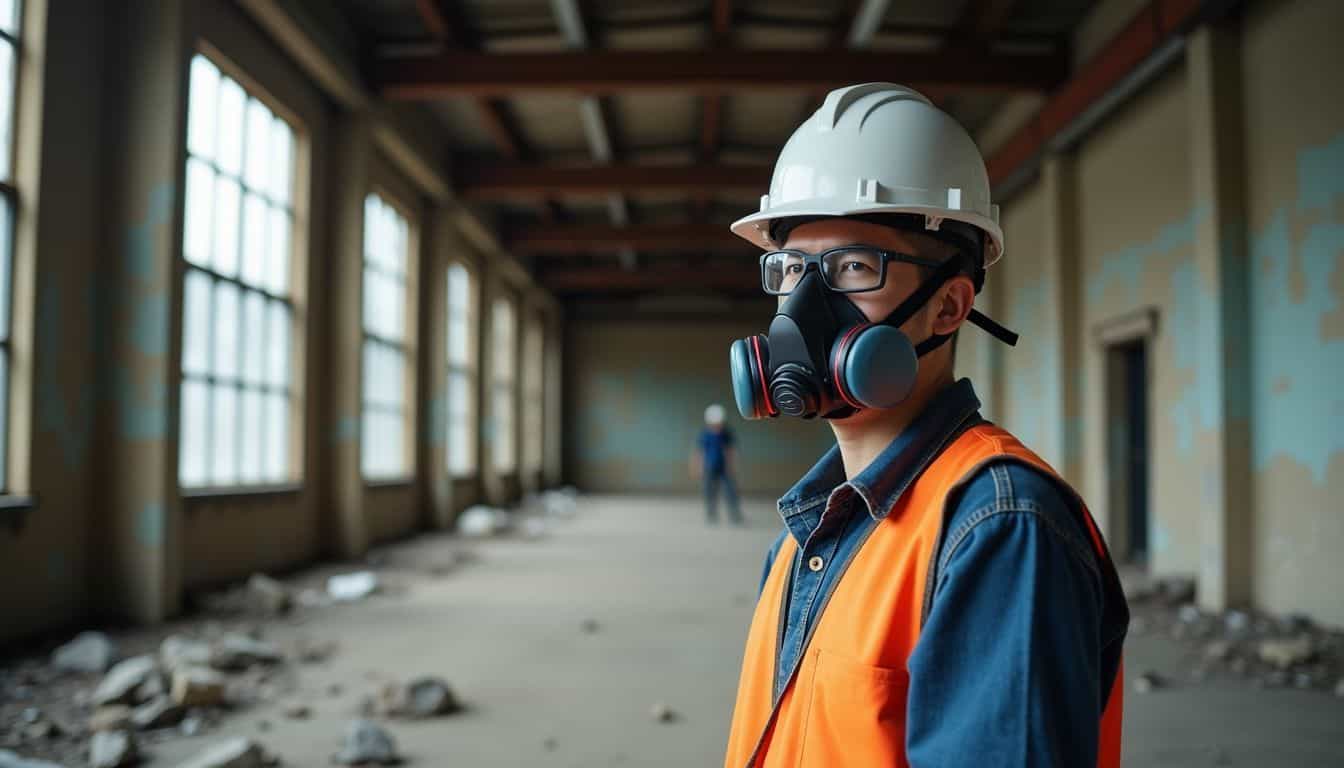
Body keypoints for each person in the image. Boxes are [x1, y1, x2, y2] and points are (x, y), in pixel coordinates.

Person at [721, 83, 1129, 767]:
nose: (804, 305)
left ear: (949, 306)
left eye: (852, 267)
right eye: (792, 268)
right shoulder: (806, 532)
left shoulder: (999, 528)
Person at [691, 404, 745, 525]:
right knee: (709, 491)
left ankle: (734, 514)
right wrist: (698, 467)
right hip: (709, 467)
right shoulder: (705, 434)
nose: (718, 426)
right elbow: (699, 452)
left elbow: (731, 450)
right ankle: (711, 514)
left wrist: (732, 465)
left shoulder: (726, 433)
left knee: (730, 490)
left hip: (724, 467)